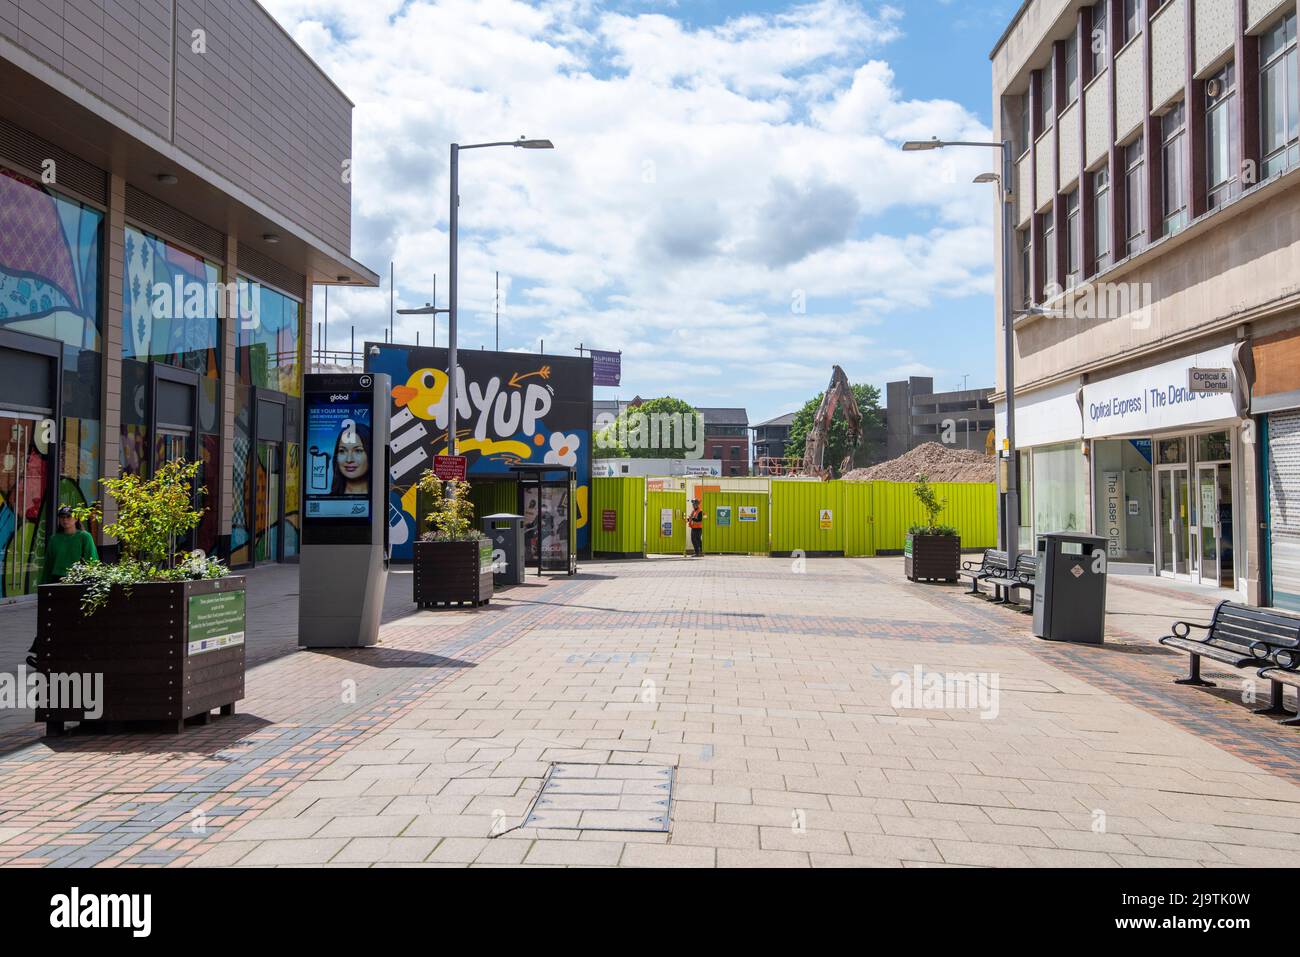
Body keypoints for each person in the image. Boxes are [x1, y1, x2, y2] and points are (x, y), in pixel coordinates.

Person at [42, 505, 98, 584]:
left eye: (68, 517)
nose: (65, 520)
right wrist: (44, 584)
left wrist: (93, 582)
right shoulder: (54, 539)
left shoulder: (85, 537)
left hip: (78, 578)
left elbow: (92, 559)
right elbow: (48, 564)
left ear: (76, 519)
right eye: (62, 517)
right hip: (57, 579)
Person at [330, 422, 372, 495]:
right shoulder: (326, 501)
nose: (349, 459)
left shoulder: (382, 498)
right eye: (342, 451)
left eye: (358, 451)